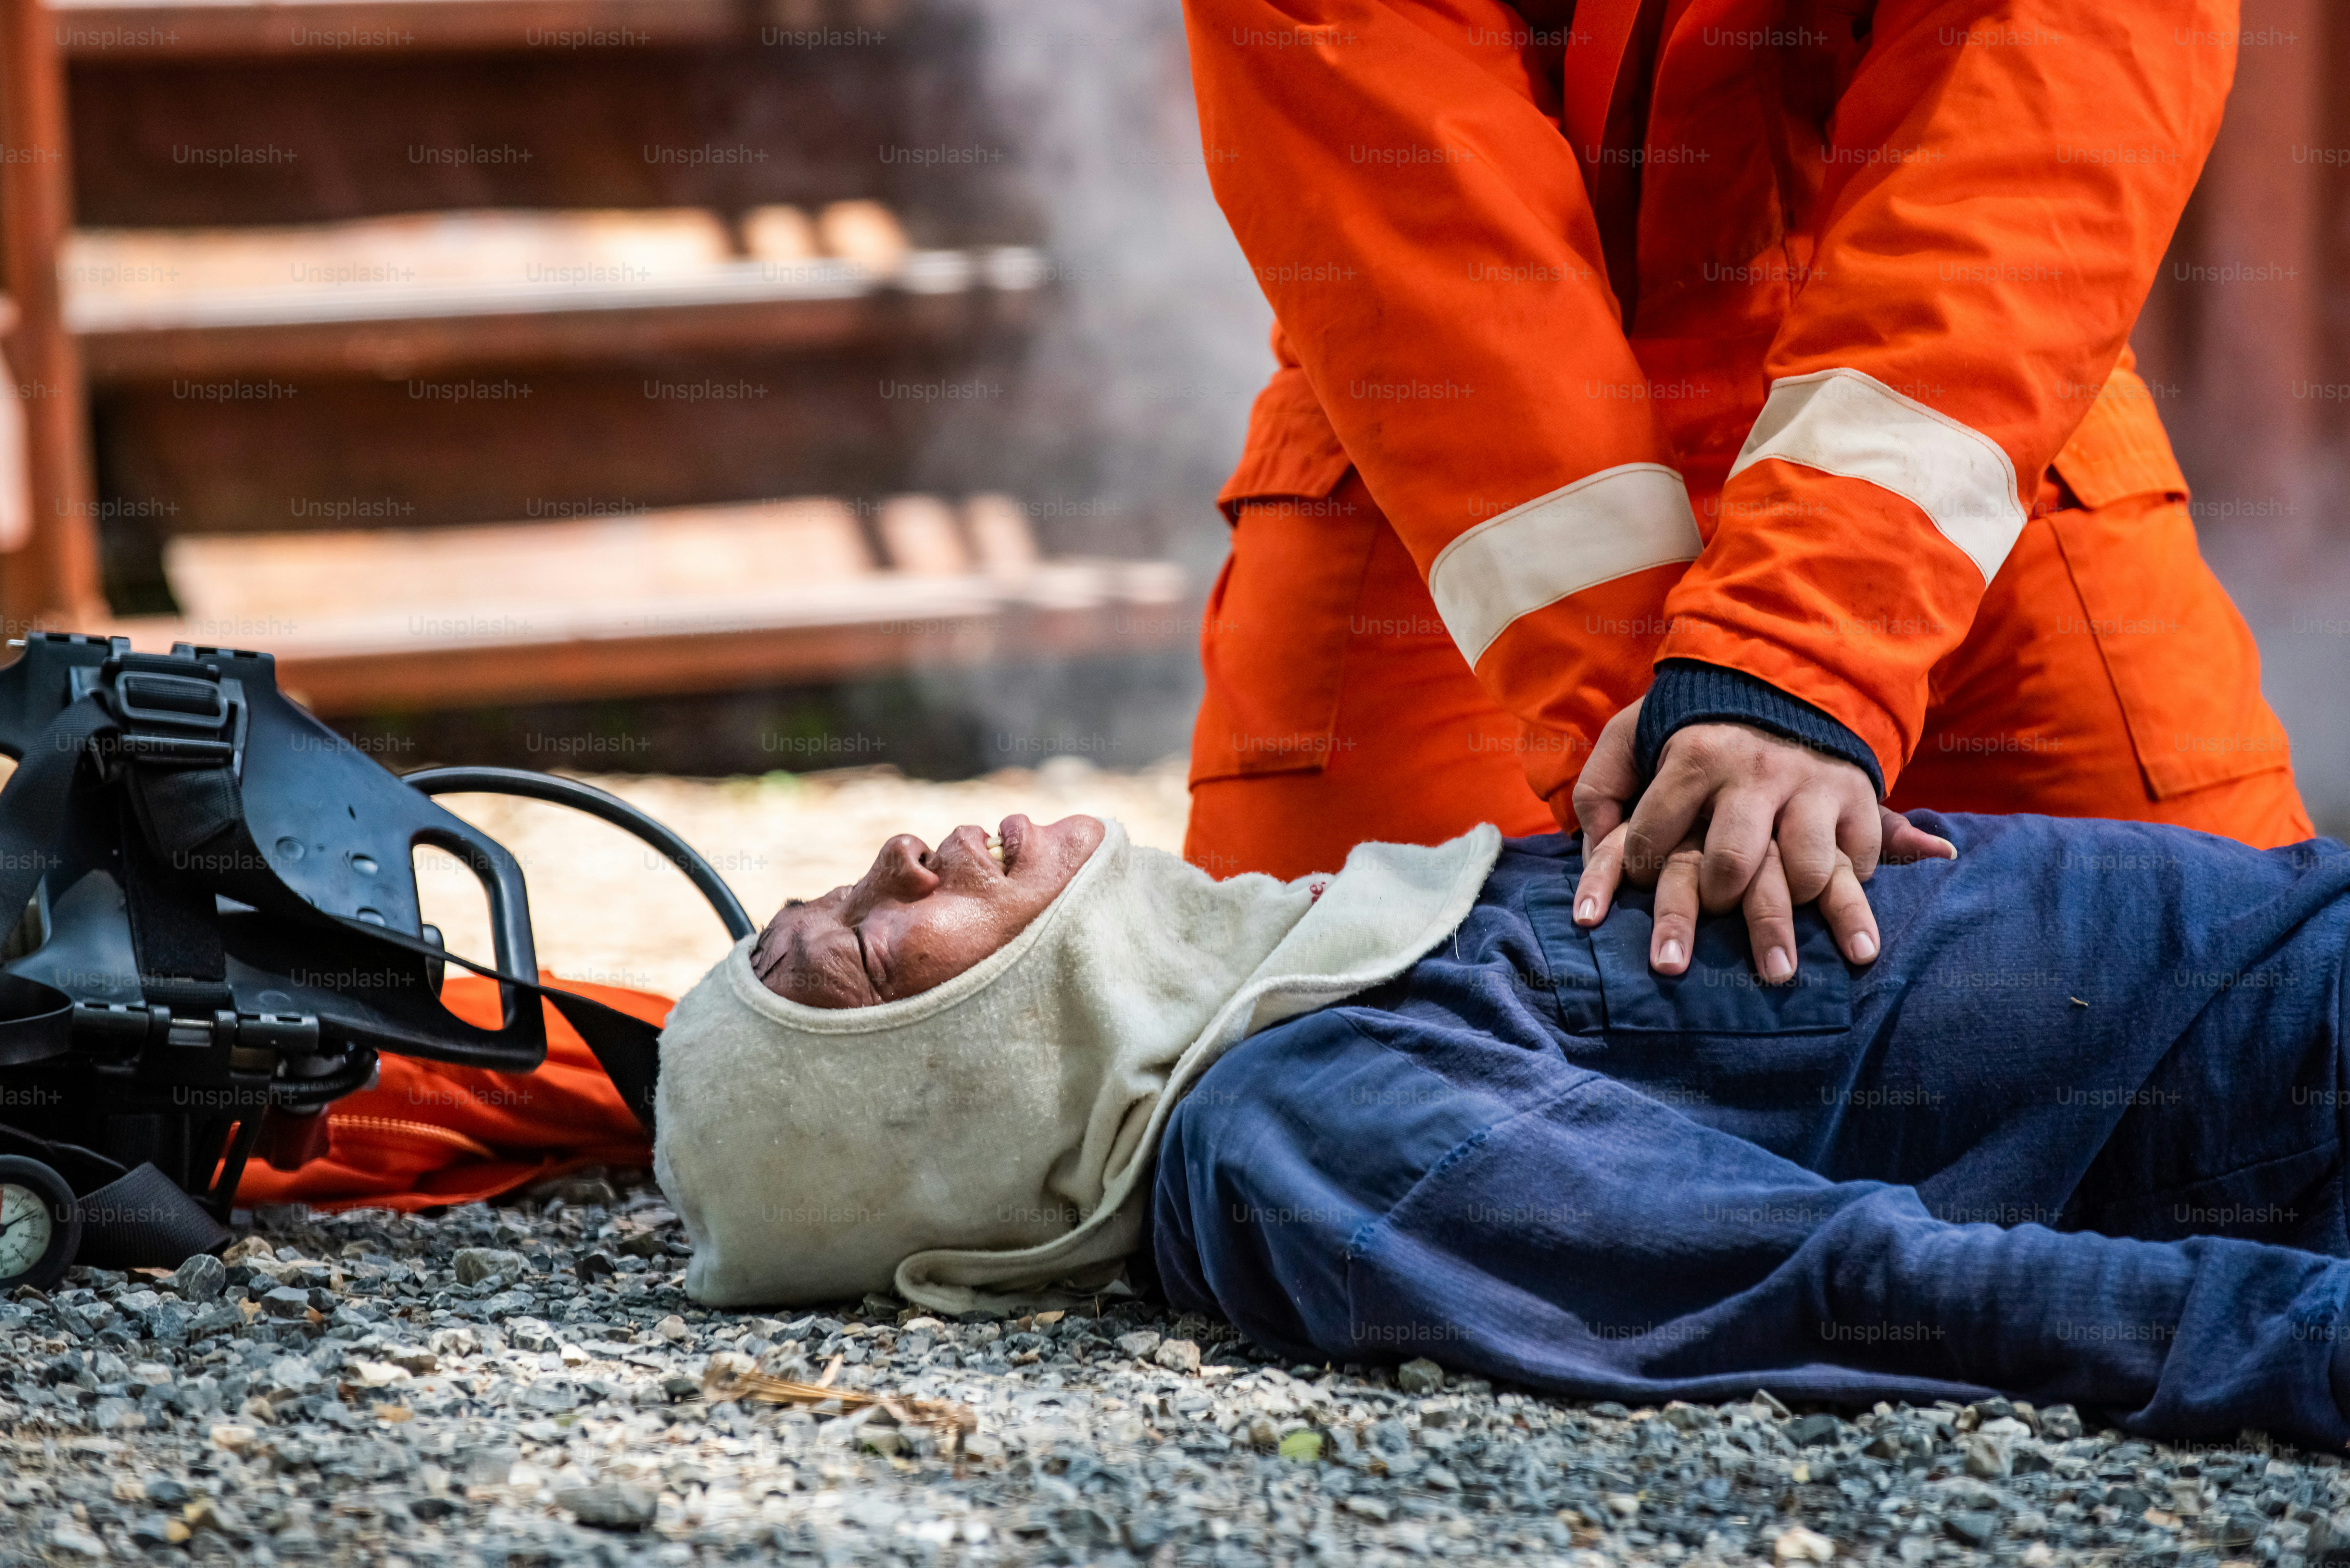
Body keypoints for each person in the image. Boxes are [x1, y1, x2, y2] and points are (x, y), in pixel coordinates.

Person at [1173, 0, 2311, 982]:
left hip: (1944, 410)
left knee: (2239, 996)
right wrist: (1701, 725)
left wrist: (1792, 657)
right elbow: (1388, 147)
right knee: (1296, 1035)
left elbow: (2057, 63)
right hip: (1448, 458)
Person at [654, 809, 2350, 1450]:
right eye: (860, 946)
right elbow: (1844, 1280)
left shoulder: (1296, 990)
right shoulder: (1286, 1125)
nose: (894, 857)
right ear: (937, 1111)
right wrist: (2303, 1344)